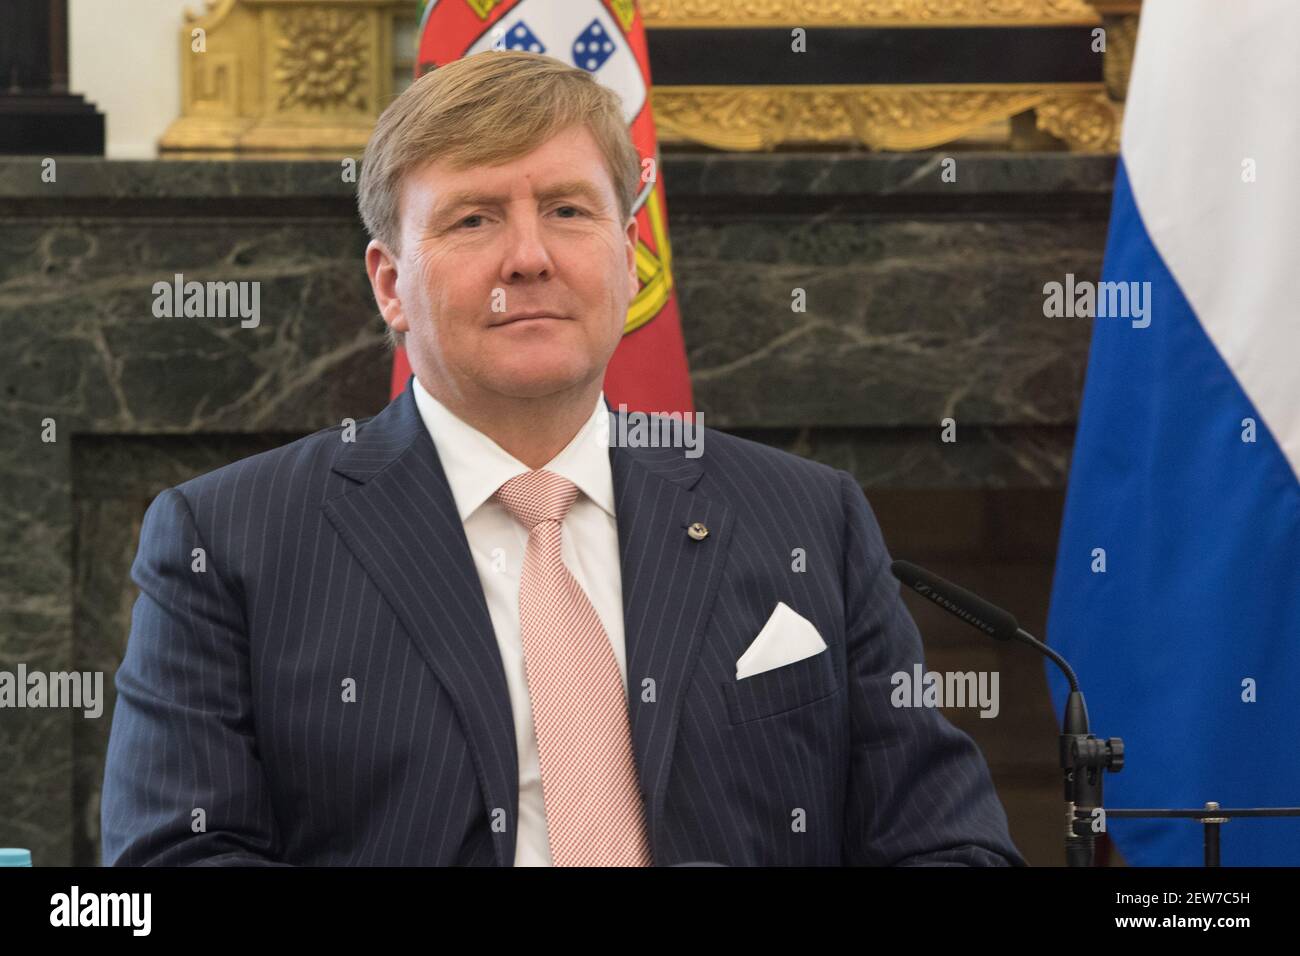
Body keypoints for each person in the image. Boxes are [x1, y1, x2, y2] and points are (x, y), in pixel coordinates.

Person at [101, 51, 1025, 867]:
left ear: (629, 262)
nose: (530, 257)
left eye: (568, 210)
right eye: (473, 220)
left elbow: (948, 845)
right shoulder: (227, 541)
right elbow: (173, 857)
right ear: (390, 284)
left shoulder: (809, 519)